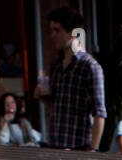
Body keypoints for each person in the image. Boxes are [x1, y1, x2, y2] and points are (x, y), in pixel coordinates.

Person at [37, 6, 107, 150]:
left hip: (78, 146)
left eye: (57, 30)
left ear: (73, 34)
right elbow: (57, 108)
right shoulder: (56, 66)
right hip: (55, 144)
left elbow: (99, 113)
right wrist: (44, 99)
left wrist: (92, 150)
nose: (52, 35)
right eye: (51, 30)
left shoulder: (89, 67)